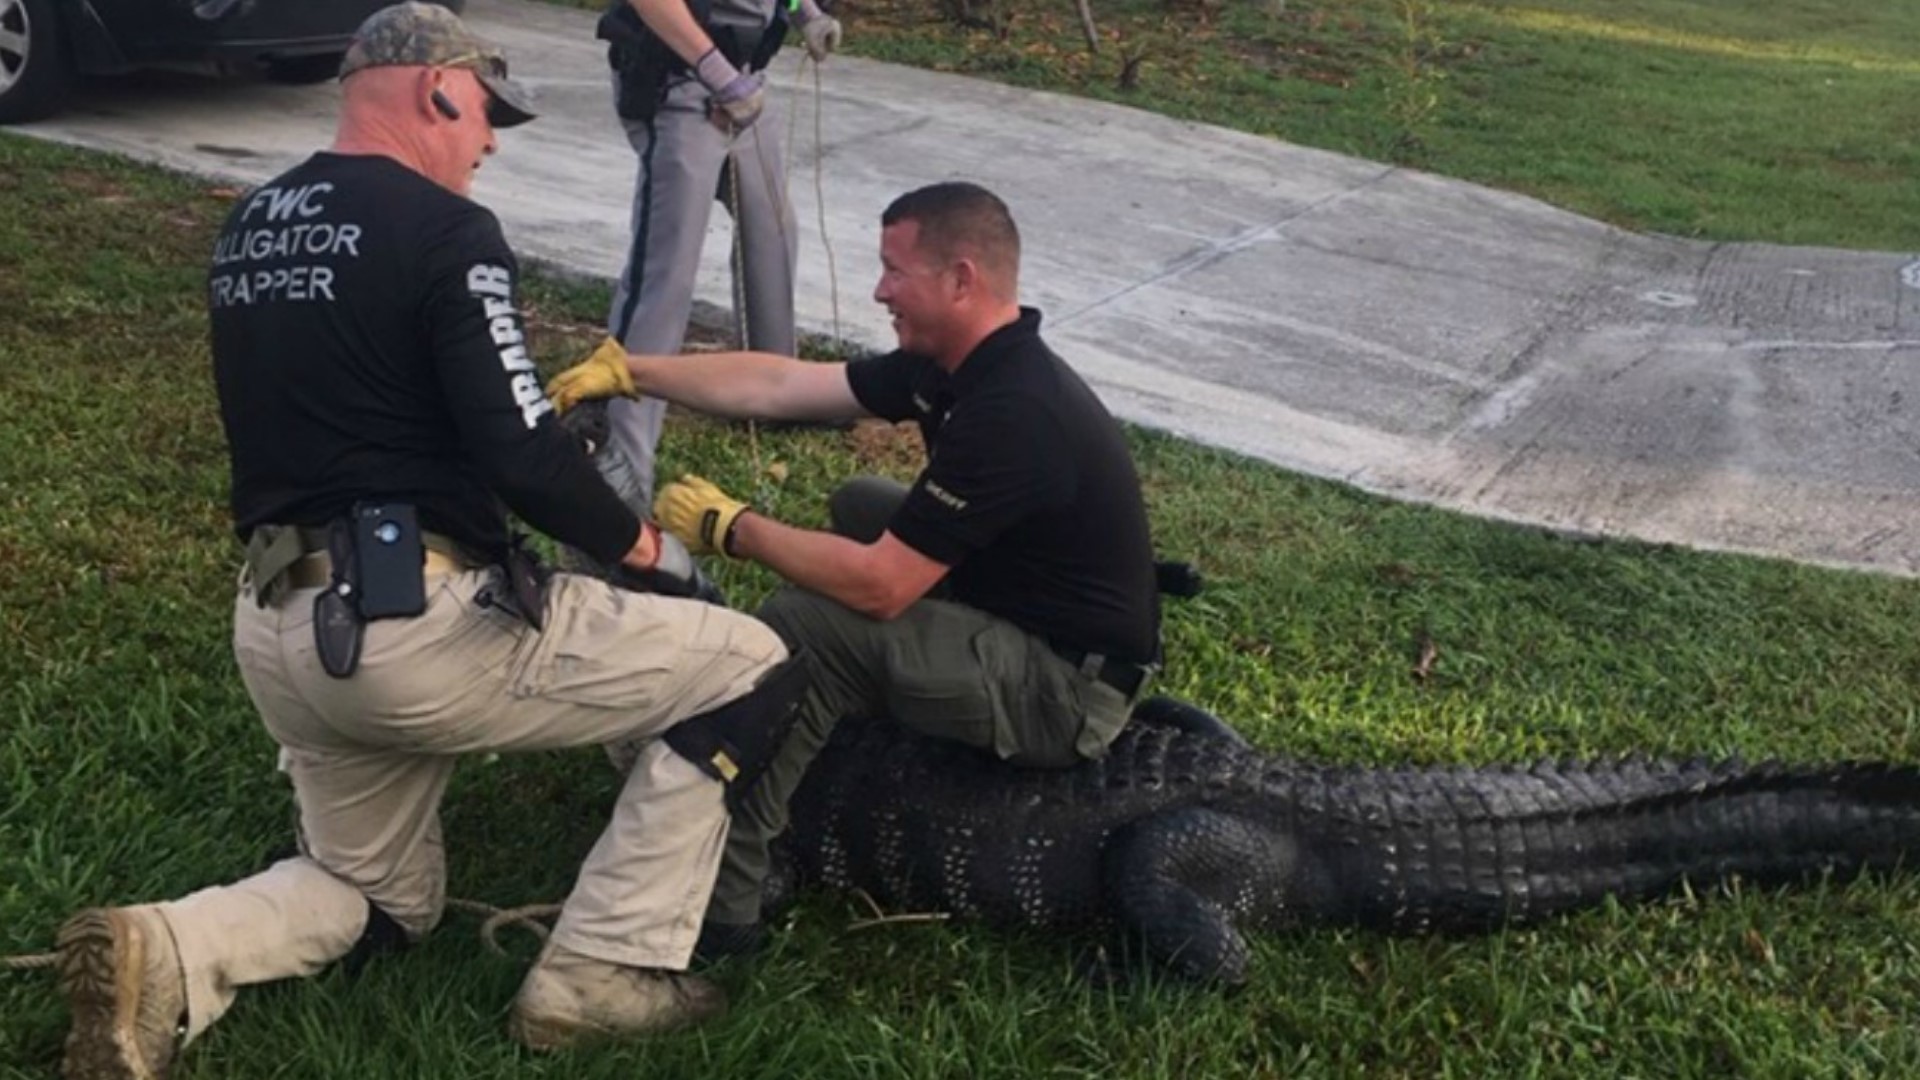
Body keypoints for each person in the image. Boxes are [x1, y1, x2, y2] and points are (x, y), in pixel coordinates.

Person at [52, 6, 798, 1075]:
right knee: (752, 665)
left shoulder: (253, 222)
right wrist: (652, 554)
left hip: (282, 629)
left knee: (381, 897)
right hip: (412, 628)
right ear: (437, 88)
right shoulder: (450, 231)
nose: (489, 141)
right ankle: (604, 969)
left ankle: (169, 946)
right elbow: (523, 455)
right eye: (486, 112)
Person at [546, 181, 1164, 954]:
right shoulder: (959, 363)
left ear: (961, 279)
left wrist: (737, 529)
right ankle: (862, 697)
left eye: (895, 271)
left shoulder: (1015, 412)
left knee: (806, 625)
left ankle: (730, 899)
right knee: (863, 502)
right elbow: (783, 385)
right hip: (1028, 607)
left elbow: (882, 586)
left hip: (1064, 692)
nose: (879, 291)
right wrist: (635, 371)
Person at [595, 0, 845, 514]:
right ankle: (622, 448)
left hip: (746, 81)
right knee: (667, 272)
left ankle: (776, 394)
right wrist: (718, 75)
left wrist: (805, 13)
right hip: (677, 83)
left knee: (774, 233)